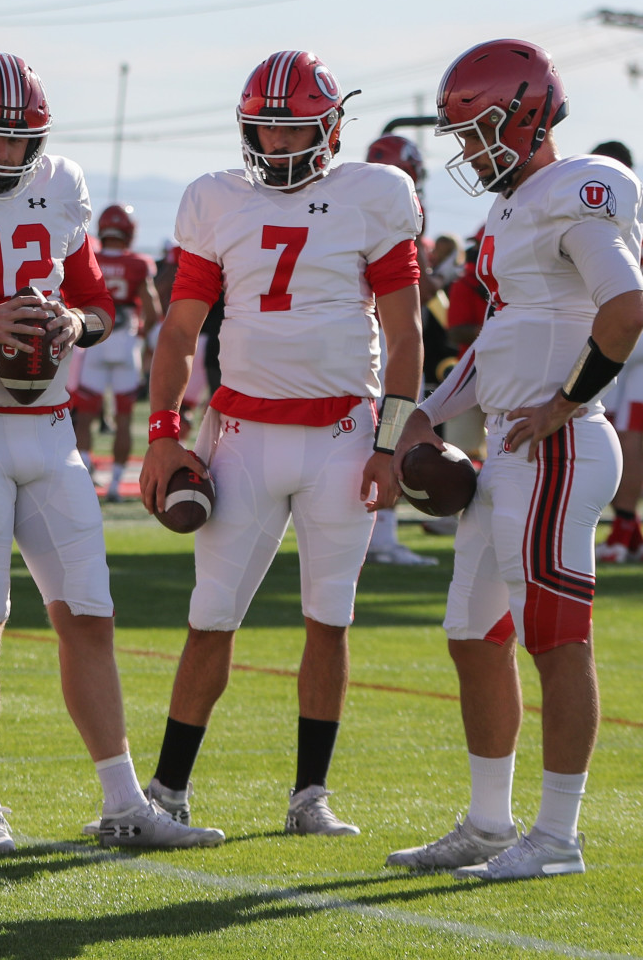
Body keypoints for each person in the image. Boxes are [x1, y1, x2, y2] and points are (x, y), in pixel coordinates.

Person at [0, 51, 223, 853]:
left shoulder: (59, 184)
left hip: (53, 429)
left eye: (17, 140)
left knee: (90, 612)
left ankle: (124, 800)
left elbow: (99, 307)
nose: (3, 154)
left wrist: (72, 323)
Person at [139, 50, 424, 838]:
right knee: (211, 614)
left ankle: (310, 795)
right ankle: (167, 790)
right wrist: (162, 433)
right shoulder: (217, 199)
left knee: (329, 616)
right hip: (243, 434)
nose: (277, 141)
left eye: (293, 127)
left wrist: (390, 442)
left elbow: (406, 334)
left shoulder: (374, 193)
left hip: (343, 437)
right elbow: (180, 330)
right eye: (265, 127)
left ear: (330, 128)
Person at [386, 40, 643, 879]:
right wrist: (426, 413)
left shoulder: (580, 186)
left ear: (524, 117)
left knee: (556, 639)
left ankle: (557, 836)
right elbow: (499, 335)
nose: (467, 150)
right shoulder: (512, 207)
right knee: (472, 632)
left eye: (476, 131)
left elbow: (627, 305)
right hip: (508, 445)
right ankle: (490, 823)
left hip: (557, 444)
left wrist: (566, 400)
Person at [363, 134, 438, 567]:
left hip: (361, 340)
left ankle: (369, 534)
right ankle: (382, 537)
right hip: (390, 341)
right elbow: (421, 287)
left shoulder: (348, 203)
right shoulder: (394, 208)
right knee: (394, 432)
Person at [71, 204, 161, 501]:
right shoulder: (138, 263)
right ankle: (114, 486)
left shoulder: (92, 257)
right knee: (123, 418)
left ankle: (85, 472)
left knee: (85, 416)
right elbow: (152, 310)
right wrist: (142, 335)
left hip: (94, 340)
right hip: (125, 342)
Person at [588, 142, 643, 564]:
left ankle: (624, 527)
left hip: (632, 337)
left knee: (629, 433)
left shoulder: (617, 210)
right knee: (621, 429)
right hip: (627, 339)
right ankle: (627, 527)